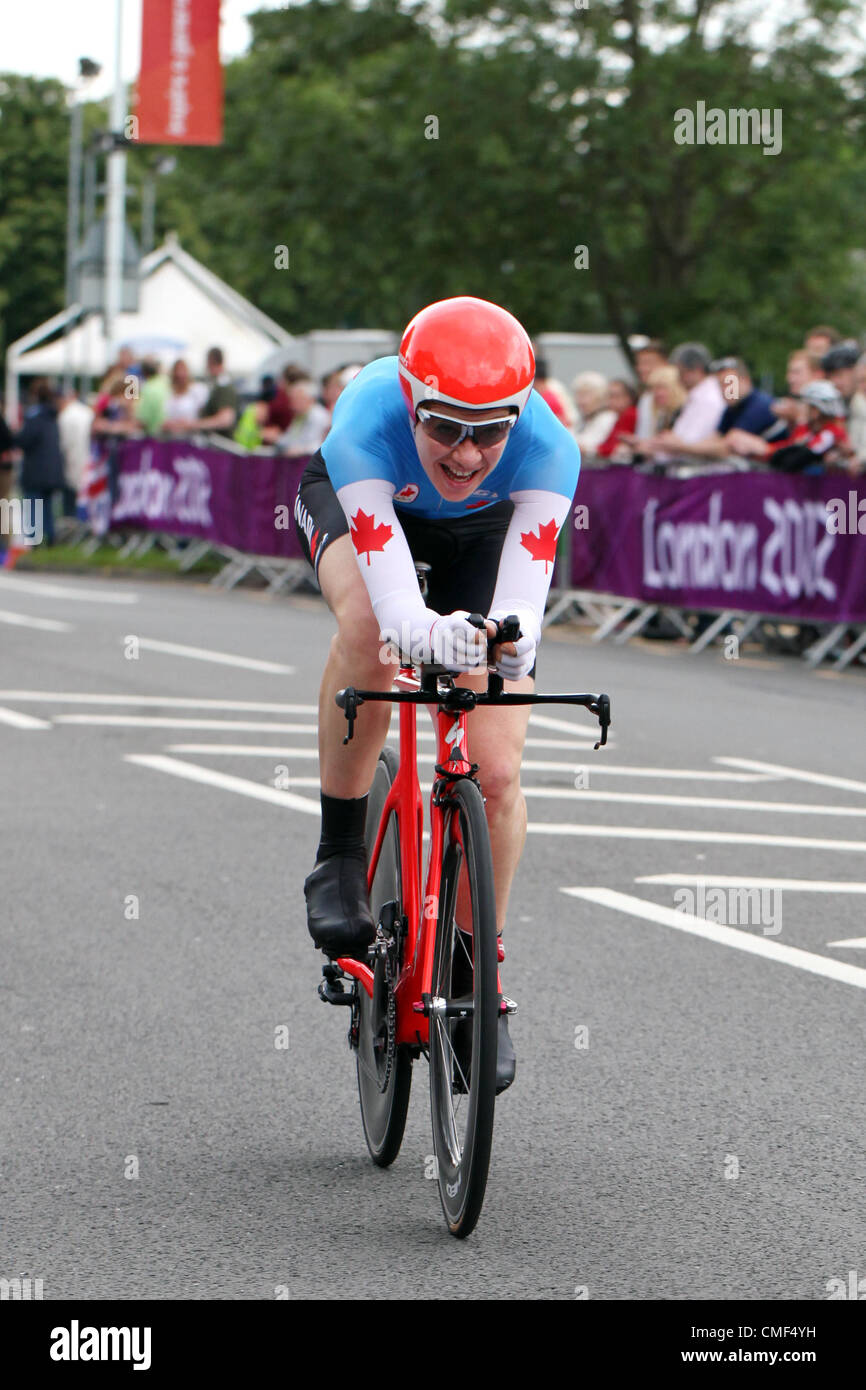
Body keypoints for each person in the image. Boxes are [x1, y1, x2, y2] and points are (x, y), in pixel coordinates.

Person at [293, 296, 581, 1094]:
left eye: (490, 429)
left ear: (519, 415)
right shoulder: (366, 424)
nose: (465, 451)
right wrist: (427, 635)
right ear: (412, 400)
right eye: (445, 425)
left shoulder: (550, 449)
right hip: (370, 505)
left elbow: (520, 614)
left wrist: (502, 641)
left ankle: (472, 975)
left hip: (482, 535)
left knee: (495, 773)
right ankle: (340, 853)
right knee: (367, 635)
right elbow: (397, 614)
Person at [15, 380, 65, 546]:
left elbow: (25, 440)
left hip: (35, 469)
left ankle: (34, 540)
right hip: (53, 470)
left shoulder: (33, 415)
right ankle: (50, 538)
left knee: (32, 504)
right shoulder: (53, 415)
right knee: (47, 507)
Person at [57, 387, 94, 516]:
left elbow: (63, 443)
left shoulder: (65, 415)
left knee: (72, 490)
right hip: (89, 456)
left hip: (73, 458)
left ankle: (73, 520)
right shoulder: (87, 411)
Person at [277, 378, 331, 457]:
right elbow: (289, 439)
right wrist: (277, 438)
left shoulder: (318, 415)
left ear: (310, 399)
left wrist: (299, 450)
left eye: (297, 399)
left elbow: (317, 444)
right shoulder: (299, 416)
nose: (292, 404)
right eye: (292, 399)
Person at [572, 372, 617, 456]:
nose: (580, 400)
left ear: (599, 397)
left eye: (585, 395)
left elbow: (592, 445)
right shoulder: (581, 418)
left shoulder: (607, 417)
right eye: (578, 394)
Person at [596, 379, 638, 460]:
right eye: (609, 396)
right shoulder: (618, 417)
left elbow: (616, 446)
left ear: (628, 397)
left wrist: (596, 450)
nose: (611, 400)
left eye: (616, 396)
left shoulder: (630, 414)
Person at [163, 359, 208, 429]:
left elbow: (204, 415)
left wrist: (191, 423)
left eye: (182, 370)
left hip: (191, 434)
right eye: (177, 370)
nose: (180, 374)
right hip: (172, 435)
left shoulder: (197, 390)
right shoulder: (168, 392)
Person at [136, 357, 170, 436]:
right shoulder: (166, 381)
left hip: (154, 434)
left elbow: (144, 418)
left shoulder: (147, 388)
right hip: (170, 430)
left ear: (143, 373)